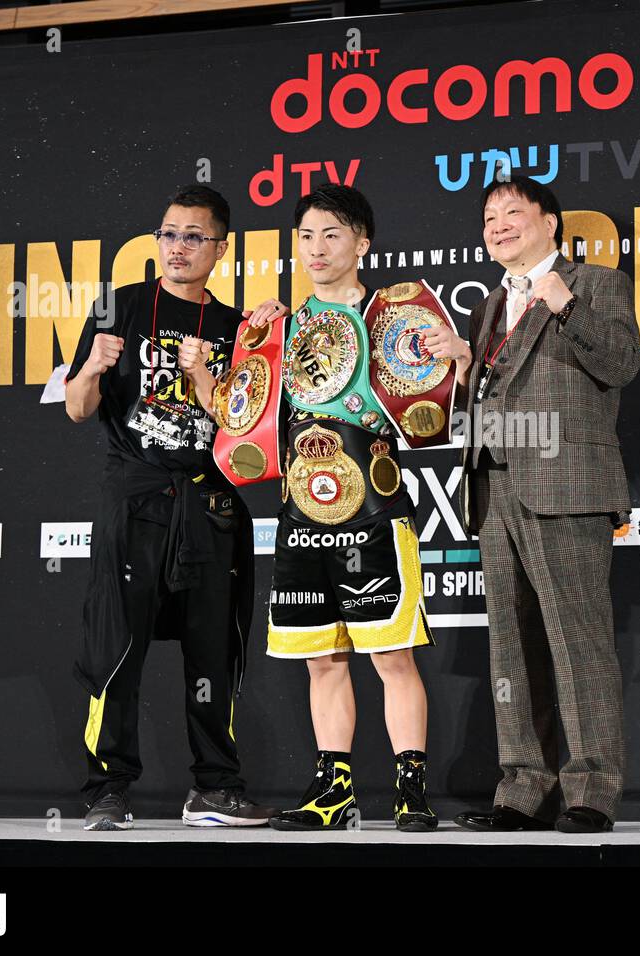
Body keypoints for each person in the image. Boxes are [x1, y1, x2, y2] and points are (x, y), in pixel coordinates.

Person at [422, 178, 640, 833]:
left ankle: (591, 790)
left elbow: (624, 363)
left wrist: (568, 305)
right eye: (490, 217)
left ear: (551, 222)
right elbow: (496, 398)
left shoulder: (597, 283)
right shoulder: (492, 303)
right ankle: (522, 787)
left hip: (566, 485)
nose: (499, 225)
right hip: (495, 486)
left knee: (578, 644)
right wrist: (464, 370)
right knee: (510, 653)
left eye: (513, 213)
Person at [65, 184, 274, 830]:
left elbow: (249, 438)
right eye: (168, 234)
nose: (178, 247)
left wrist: (220, 372)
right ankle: (109, 789)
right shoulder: (119, 308)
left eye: (193, 236)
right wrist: (94, 369)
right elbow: (77, 408)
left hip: (209, 506)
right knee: (118, 648)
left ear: (221, 248)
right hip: (136, 502)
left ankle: (215, 787)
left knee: (213, 653)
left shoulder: (237, 328)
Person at [241, 183, 438, 831]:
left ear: (362, 242)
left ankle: (412, 790)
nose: (317, 248)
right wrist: (234, 358)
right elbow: (241, 429)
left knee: (392, 658)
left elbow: (432, 410)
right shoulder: (280, 328)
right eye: (305, 236)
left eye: (331, 234)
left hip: (375, 512)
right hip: (300, 518)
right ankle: (335, 792)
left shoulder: (395, 321)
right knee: (322, 660)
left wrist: (448, 360)